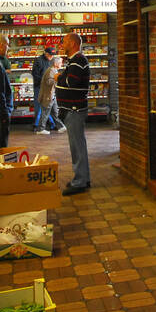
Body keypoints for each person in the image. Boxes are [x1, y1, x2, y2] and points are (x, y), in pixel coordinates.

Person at [56, 31, 92, 195]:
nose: (62, 45)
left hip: (74, 110)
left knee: (77, 146)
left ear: (73, 43)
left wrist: (58, 78)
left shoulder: (78, 60)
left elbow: (71, 82)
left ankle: (80, 181)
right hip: (72, 110)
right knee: (77, 145)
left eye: (64, 42)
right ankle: (82, 177)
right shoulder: (74, 60)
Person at [30, 46, 64, 133]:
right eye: (50, 55)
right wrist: (44, 81)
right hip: (40, 87)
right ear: (46, 53)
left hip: (49, 88)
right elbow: (35, 73)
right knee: (40, 106)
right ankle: (37, 125)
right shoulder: (38, 60)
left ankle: (52, 125)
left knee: (50, 107)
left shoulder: (52, 61)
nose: (51, 57)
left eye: (53, 55)